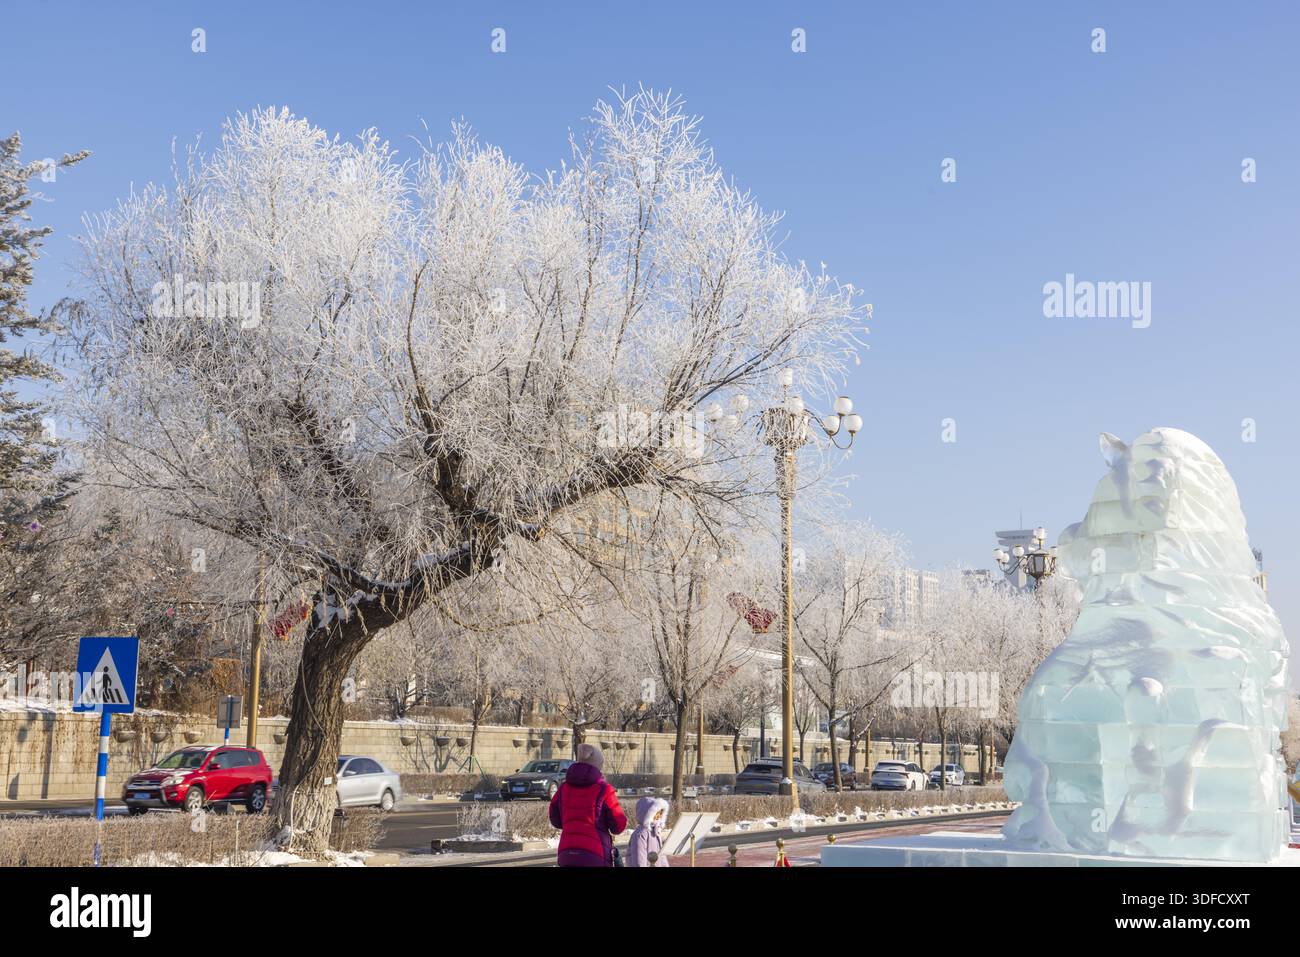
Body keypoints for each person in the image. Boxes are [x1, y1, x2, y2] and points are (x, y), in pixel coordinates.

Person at [548, 742, 627, 867]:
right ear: (598, 766)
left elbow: (555, 820)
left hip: (566, 853)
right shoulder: (604, 790)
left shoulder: (563, 788)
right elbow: (618, 826)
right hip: (595, 855)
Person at [626, 796, 670, 867]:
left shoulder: (656, 831)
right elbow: (639, 859)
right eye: (657, 813)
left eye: (661, 813)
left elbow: (662, 856)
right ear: (648, 814)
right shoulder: (640, 834)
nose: (659, 816)